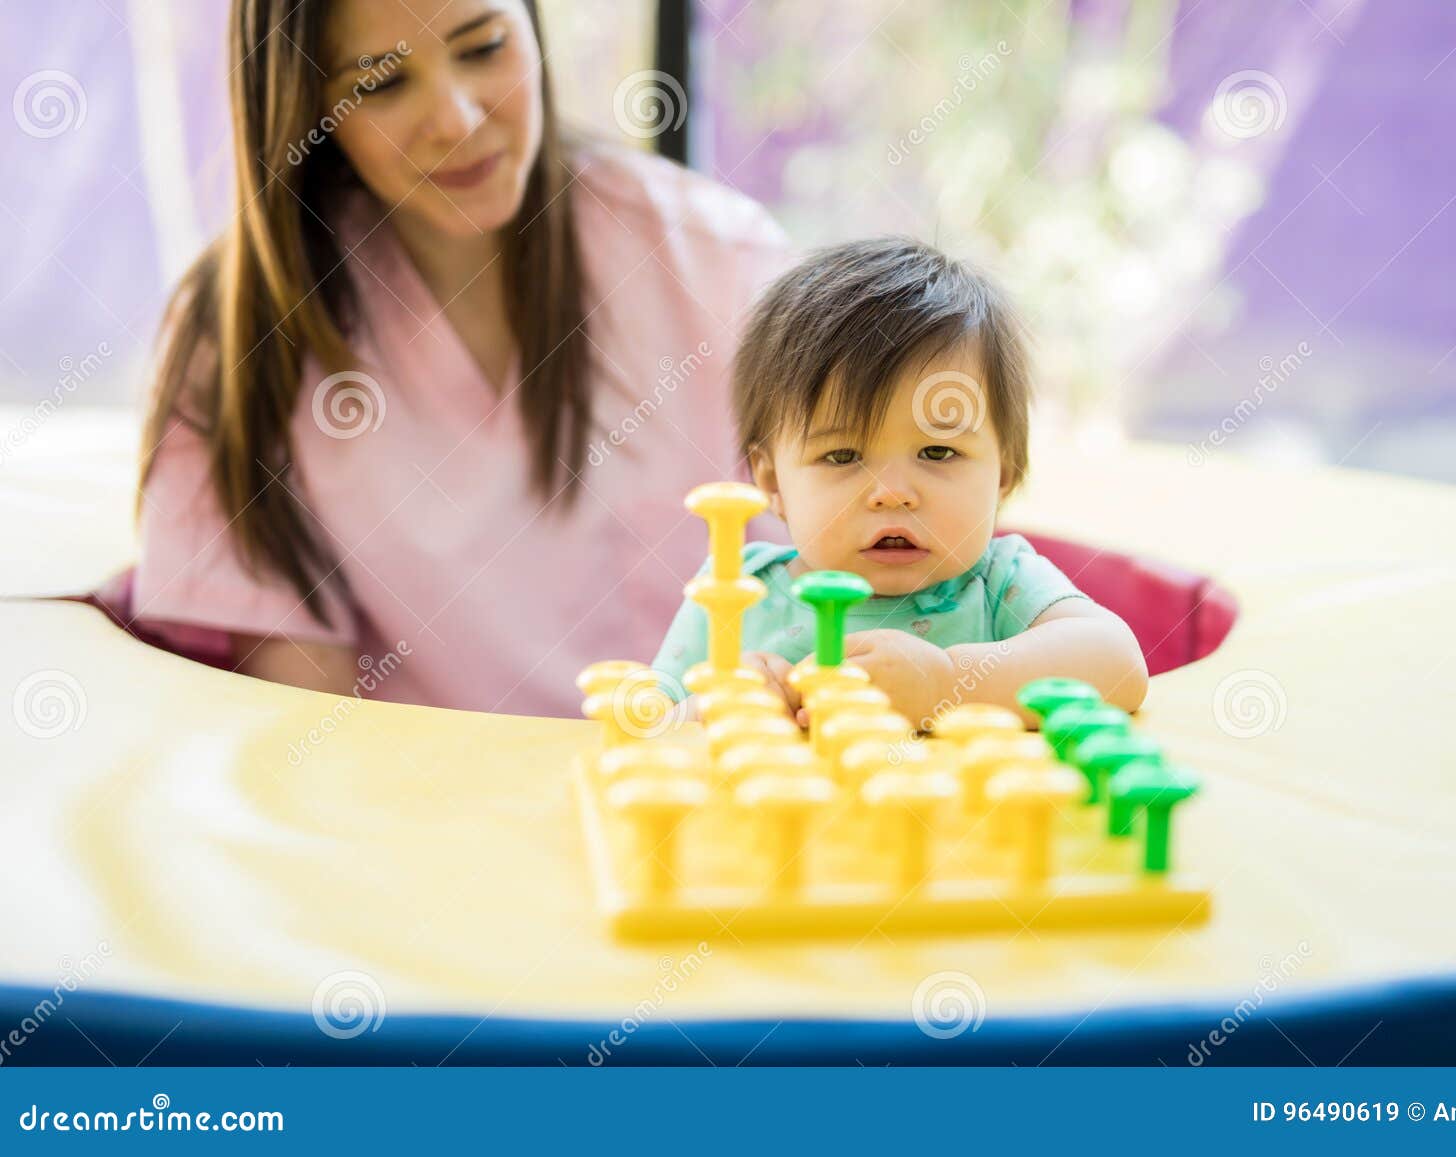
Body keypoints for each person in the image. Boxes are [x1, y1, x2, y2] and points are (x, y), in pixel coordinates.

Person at [128, 0, 791, 714]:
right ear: (306, 105)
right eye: (380, 83)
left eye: (483, 48)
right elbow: (306, 735)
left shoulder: (720, 259)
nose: (459, 120)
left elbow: (831, 598)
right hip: (415, 811)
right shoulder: (240, 344)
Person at [651, 237, 1149, 725]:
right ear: (772, 483)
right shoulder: (733, 595)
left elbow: (1119, 666)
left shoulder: (1001, 584)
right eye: (842, 455)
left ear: (1004, 475)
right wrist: (712, 708)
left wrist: (947, 684)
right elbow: (643, 728)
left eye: (938, 451)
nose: (891, 492)